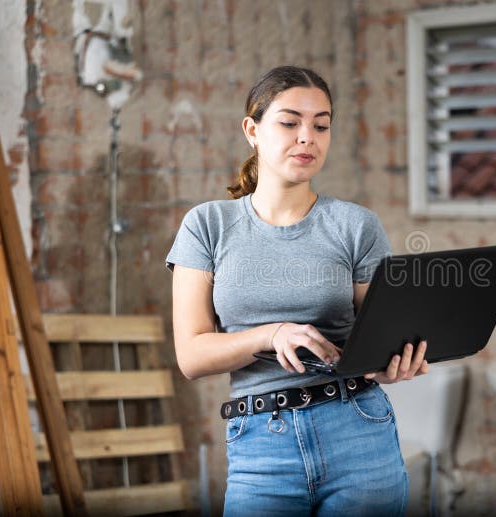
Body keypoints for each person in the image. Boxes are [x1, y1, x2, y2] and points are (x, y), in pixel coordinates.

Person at [166, 65, 429, 516]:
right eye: (290, 122)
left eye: (321, 125)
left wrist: (390, 366)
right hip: (259, 443)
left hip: (358, 430)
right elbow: (191, 356)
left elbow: (376, 341)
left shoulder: (355, 225)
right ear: (252, 130)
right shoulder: (207, 225)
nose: (308, 137)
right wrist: (272, 334)